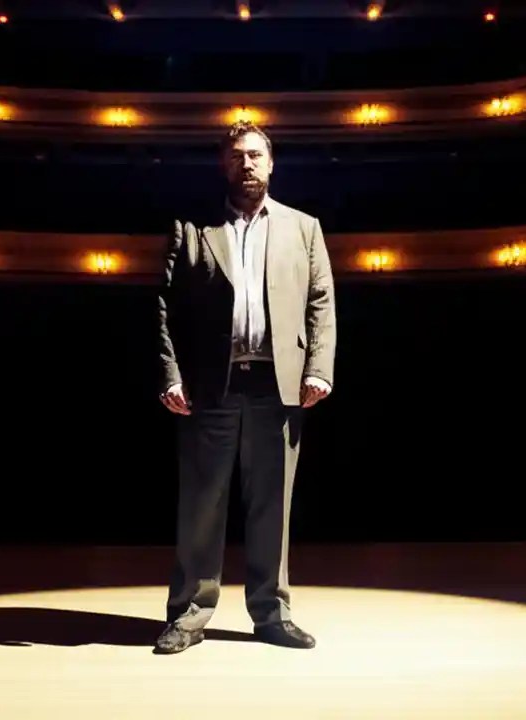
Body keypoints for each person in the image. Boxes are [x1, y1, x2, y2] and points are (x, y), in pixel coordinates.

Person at [153, 120, 337, 654]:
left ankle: (272, 613)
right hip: (210, 387)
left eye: (255, 155)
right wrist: (171, 375)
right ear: (224, 164)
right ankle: (189, 614)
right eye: (237, 156)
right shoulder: (191, 229)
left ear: (271, 164)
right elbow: (164, 308)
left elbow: (320, 301)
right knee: (201, 506)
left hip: (278, 386)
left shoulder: (304, 228)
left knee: (272, 507)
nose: (247, 164)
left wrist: (318, 368)